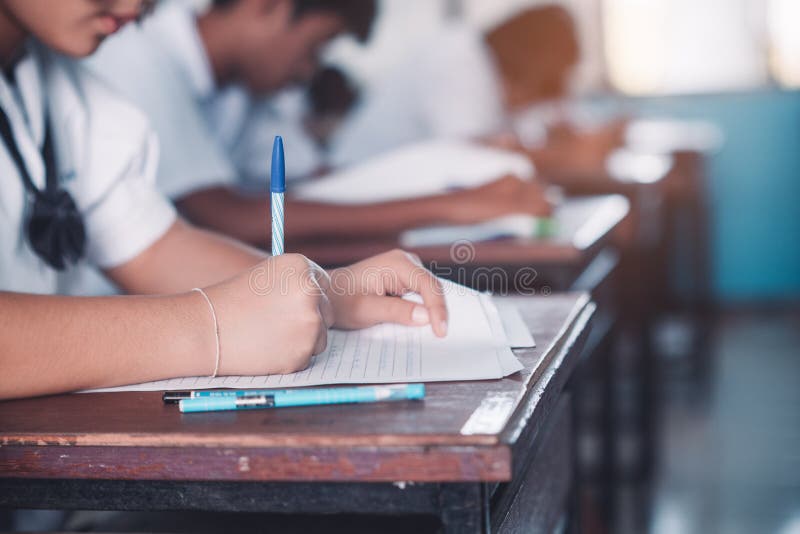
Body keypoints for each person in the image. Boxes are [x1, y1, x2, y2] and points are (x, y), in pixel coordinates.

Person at [0, 0, 448, 400]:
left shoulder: (58, 85)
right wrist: (208, 327)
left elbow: (152, 248)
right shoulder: (119, 63)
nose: (135, 7)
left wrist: (329, 292)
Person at [85, 0, 552, 247]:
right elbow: (232, 219)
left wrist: (460, 183)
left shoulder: (248, 89)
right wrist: (453, 205)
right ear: (267, 6)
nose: (309, 71)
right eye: (315, 47)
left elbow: (316, 185)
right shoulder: (142, 53)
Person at [329, 4, 625, 180]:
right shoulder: (455, 59)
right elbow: (473, 160)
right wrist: (565, 157)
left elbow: (540, 130)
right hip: (356, 188)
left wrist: (574, 141)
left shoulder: (499, 71)